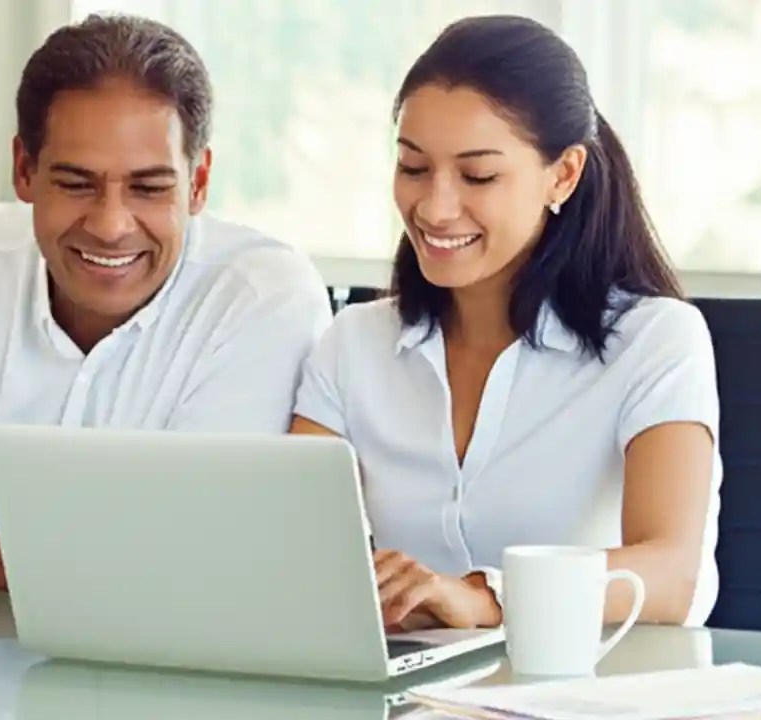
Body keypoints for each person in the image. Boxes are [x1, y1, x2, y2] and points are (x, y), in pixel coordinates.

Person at [0, 14, 331, 589]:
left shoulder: (262, 299)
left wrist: (25, 568)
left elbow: (203, 563)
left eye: (150, 187)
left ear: (197, 183)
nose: (110, 225)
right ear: (24, 170)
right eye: (77, 184)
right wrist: (61, 572)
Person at [292, 15, 721, 630]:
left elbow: (673, 577)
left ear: (563, 174)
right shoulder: (352, 346)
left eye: (479, 176)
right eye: (413, 168)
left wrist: (486, 597)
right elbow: (295, 557)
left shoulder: (656, 341)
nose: (434, 208)